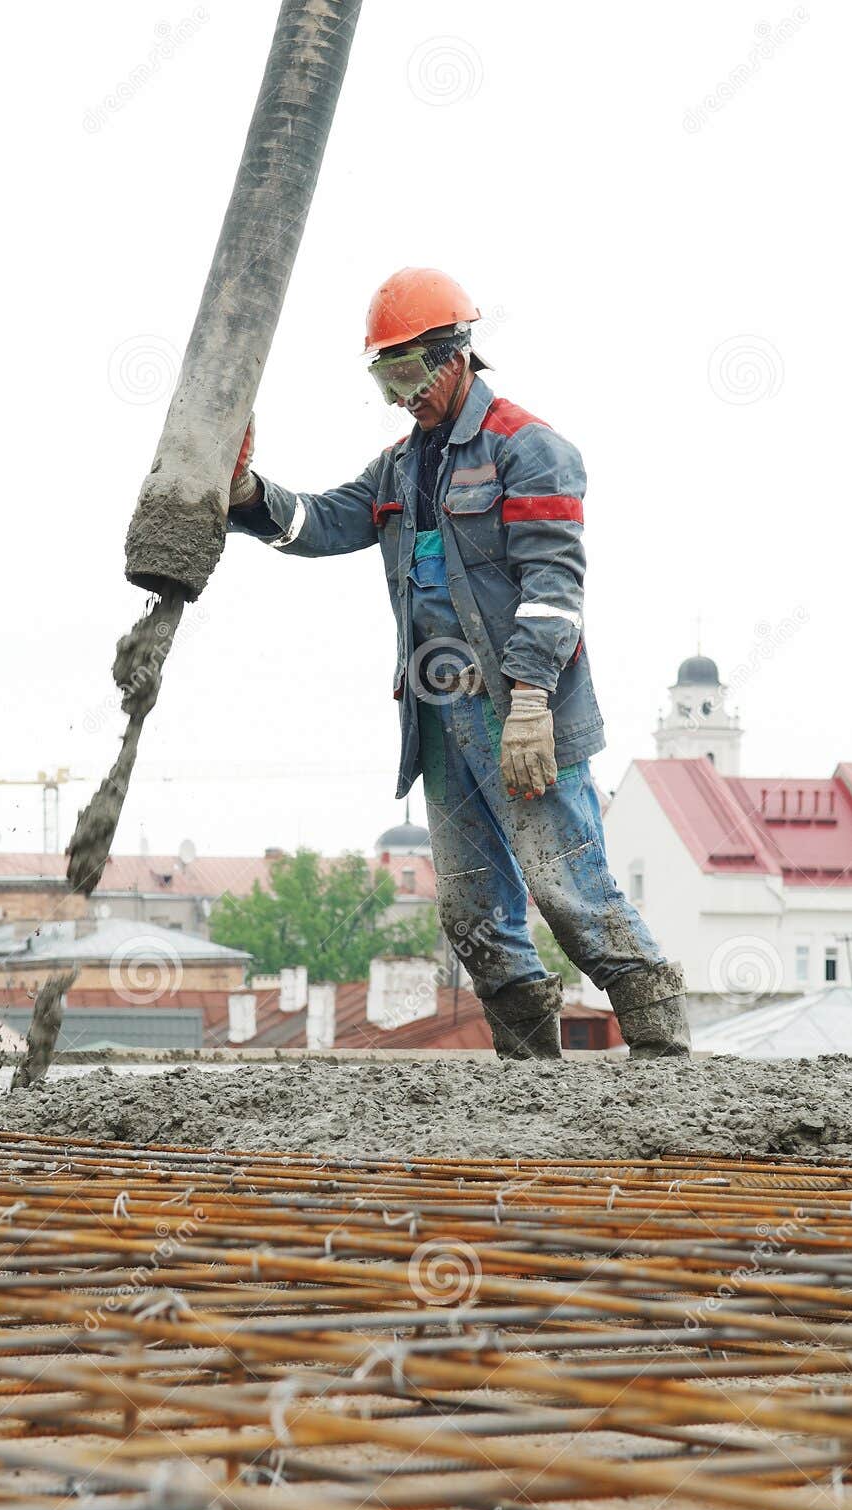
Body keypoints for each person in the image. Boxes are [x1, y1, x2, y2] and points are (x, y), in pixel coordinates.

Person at [227, 267, 690, 1059]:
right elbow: (320, 522)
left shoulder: (530, 450)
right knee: (473, 909)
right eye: (386, 378)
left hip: (519, 713)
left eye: (409, 372)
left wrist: (533, 700)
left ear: (457, 354)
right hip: (439, 720)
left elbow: (553, 587)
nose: (402, 394)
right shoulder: (400, 468)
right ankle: (529, 1070)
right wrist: (244, 491)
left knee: (566, 886)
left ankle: (662, 1056)